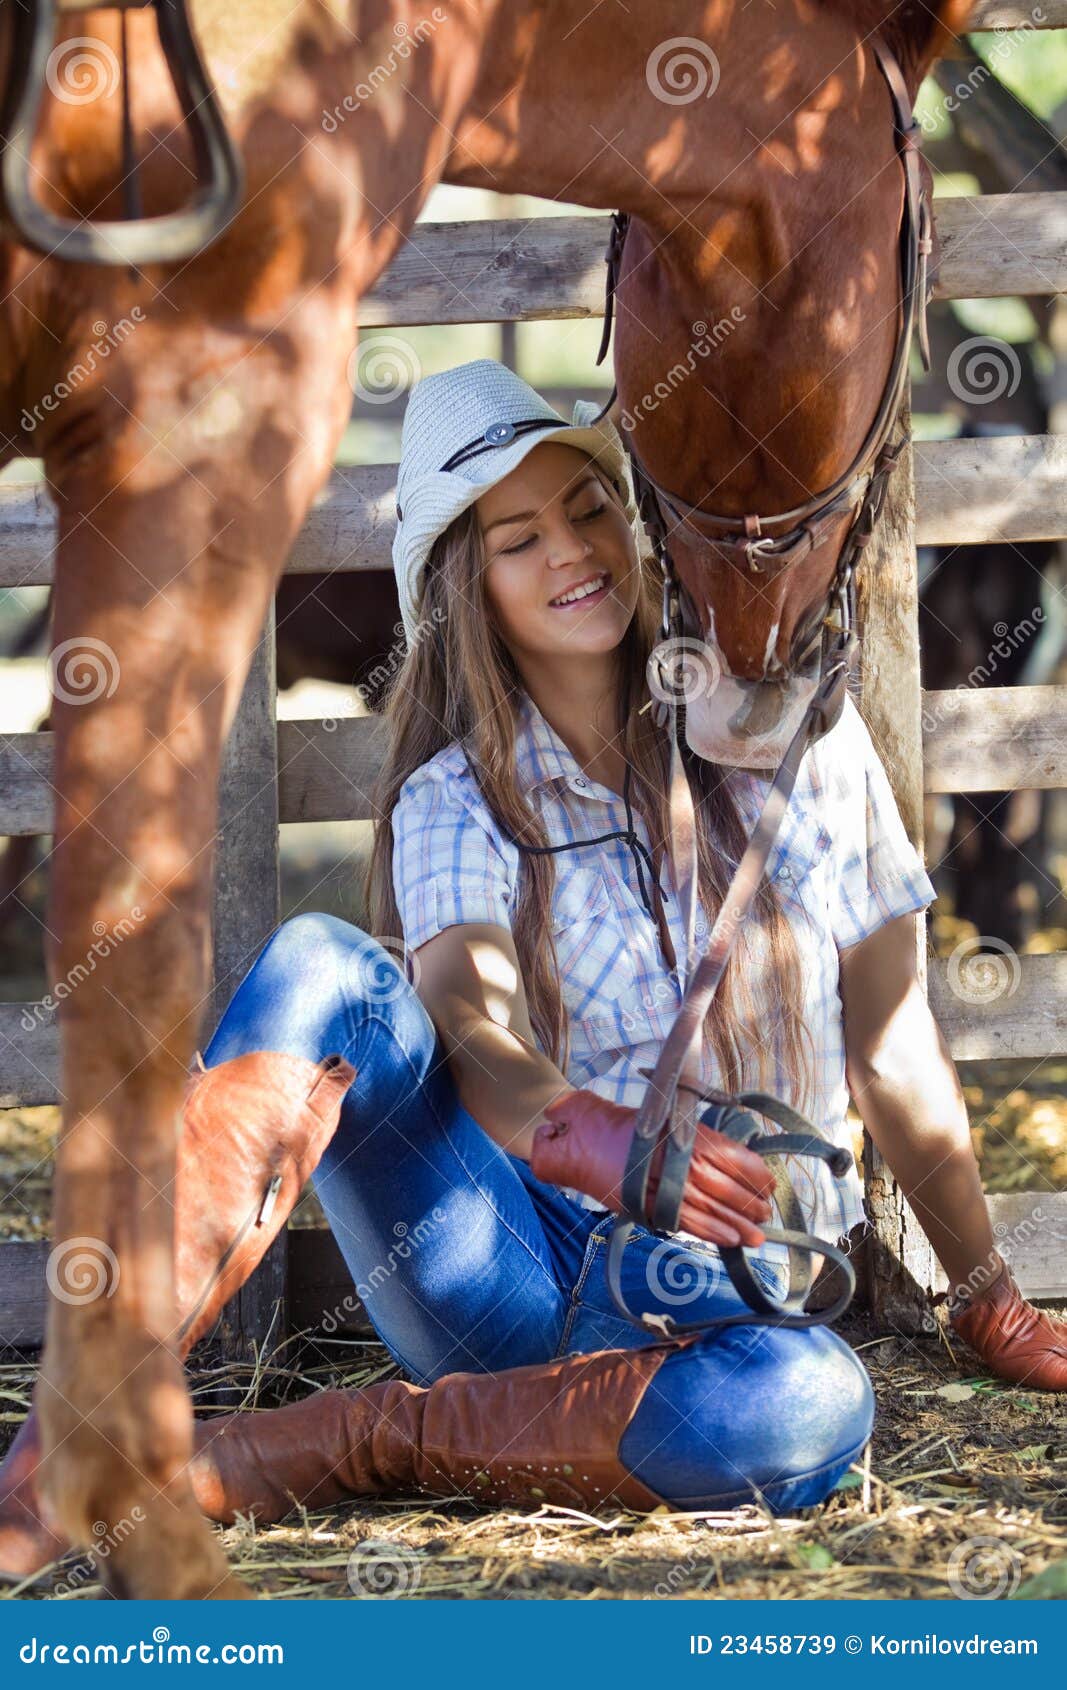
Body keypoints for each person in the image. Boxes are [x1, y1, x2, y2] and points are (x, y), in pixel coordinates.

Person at [2, 361, 1063, 1585]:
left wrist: (985, 1294)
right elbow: (472, 1024)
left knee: (813, 1402)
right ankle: (67, 1443)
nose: (571, 550)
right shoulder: (453, 800)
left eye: (588, 507)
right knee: (321, 963)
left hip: (734, 1307)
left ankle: (336, 1443)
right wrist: (598, 1140)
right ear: (472, 586)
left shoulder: (804, 750)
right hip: (516, 1266)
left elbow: (892, 1045)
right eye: (517, 538)